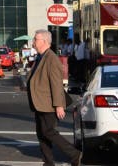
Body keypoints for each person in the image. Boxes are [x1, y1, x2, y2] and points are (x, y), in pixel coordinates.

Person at [27, 29, 80, 166]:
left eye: (35, 39)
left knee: (49, 132)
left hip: (48, 103)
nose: (33, 41)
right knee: (42, 134)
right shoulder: (40, 56)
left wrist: (59, 105)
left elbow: (56, 84)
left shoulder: (51, 58)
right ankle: (48, 162)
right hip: (39, 103)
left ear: (44, 42)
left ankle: (74, 154)